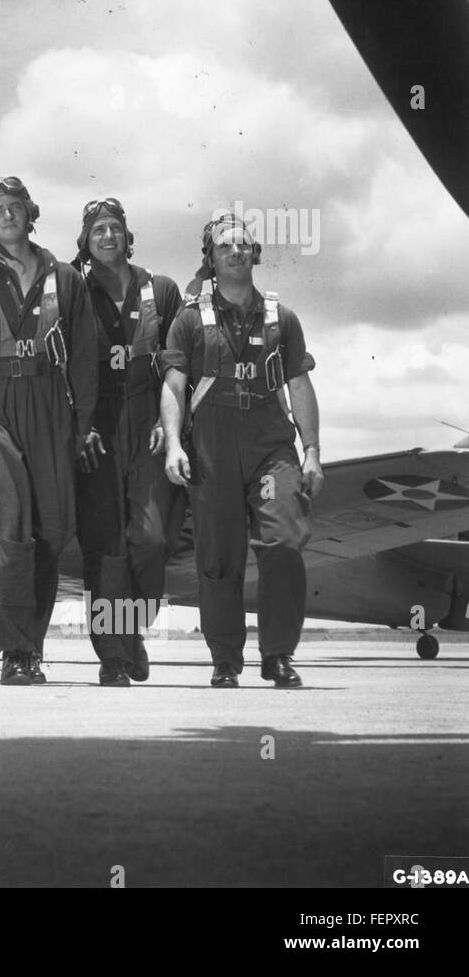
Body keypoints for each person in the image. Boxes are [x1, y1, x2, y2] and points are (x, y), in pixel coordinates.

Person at [159, 212, 323, 688]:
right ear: (209, 258)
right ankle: (226, 659)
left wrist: (311, 450)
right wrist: (173, 445)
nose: (235, 251)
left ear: (256, 253)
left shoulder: (282, 318)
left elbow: (299, 383)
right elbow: (174, 386)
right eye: (224, 245)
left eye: (243, 244)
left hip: (271, 446)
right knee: (218, 556)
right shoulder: (189, 320)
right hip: (211, 448)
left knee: (285, 540)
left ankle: (277, 654)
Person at [0, 178, 98, 685]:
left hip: (50, 402)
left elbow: (83, 357)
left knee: (52, 531)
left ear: (30, 214)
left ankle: (30, 645)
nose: (7, 215)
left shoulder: (66, 279)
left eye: (15, 207)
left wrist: (82, 427)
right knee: (10, 524)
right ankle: (16, 653)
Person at [73, 198, 186, 686]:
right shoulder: (73, 291)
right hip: (98, 428)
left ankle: (133, 629)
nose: (107, 236)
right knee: (106, 548)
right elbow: (66, 364)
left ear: (127, 234)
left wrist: (171, 422)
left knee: (152, 540)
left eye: (115, 228)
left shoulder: (160, 290)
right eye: (98, 229)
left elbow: (178, 365)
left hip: (149, 425)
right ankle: (113, 656)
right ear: (86, 239)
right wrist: (80, 425)